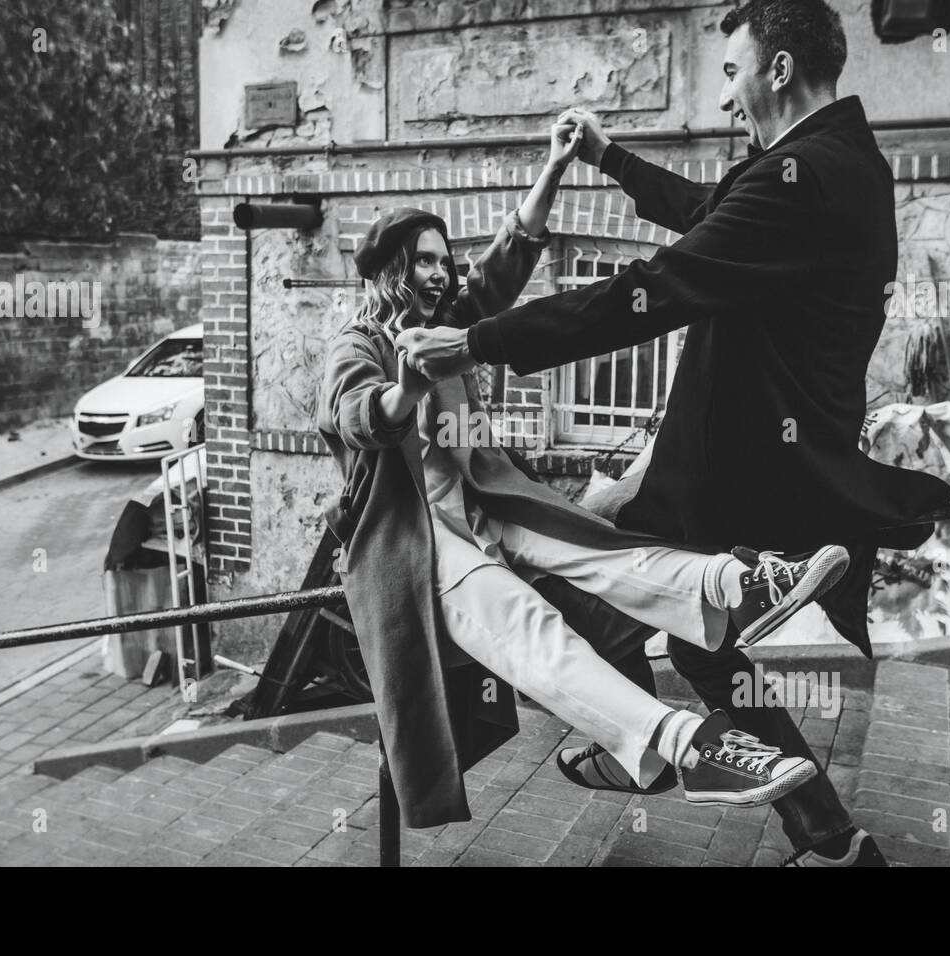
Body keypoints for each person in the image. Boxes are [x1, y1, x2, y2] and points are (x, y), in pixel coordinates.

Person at [396, 0, 950, 864]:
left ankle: (653, 751)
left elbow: (651, 289)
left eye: (732, 72)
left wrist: (474, 342)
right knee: (679, 618)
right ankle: (820, 830)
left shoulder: (801, 175)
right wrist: (607, 156)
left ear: (777, 70)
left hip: (746, 466)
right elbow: (703, 206)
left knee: (603, 577)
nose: (726, 96)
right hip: (751, 454)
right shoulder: (828, 164)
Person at [318, 115, 853, 831]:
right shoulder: (356, 345)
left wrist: (558, 162)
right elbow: (356, 415)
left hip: (493, 512)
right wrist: (410, 387)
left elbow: (510, 256)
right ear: (390, 271)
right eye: (423, 261)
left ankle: (738, 585)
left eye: (443, 261)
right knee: (531, 625)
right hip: (420, 548)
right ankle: (684, 745)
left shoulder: (447, 317)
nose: (440, 274)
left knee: (607, 553)